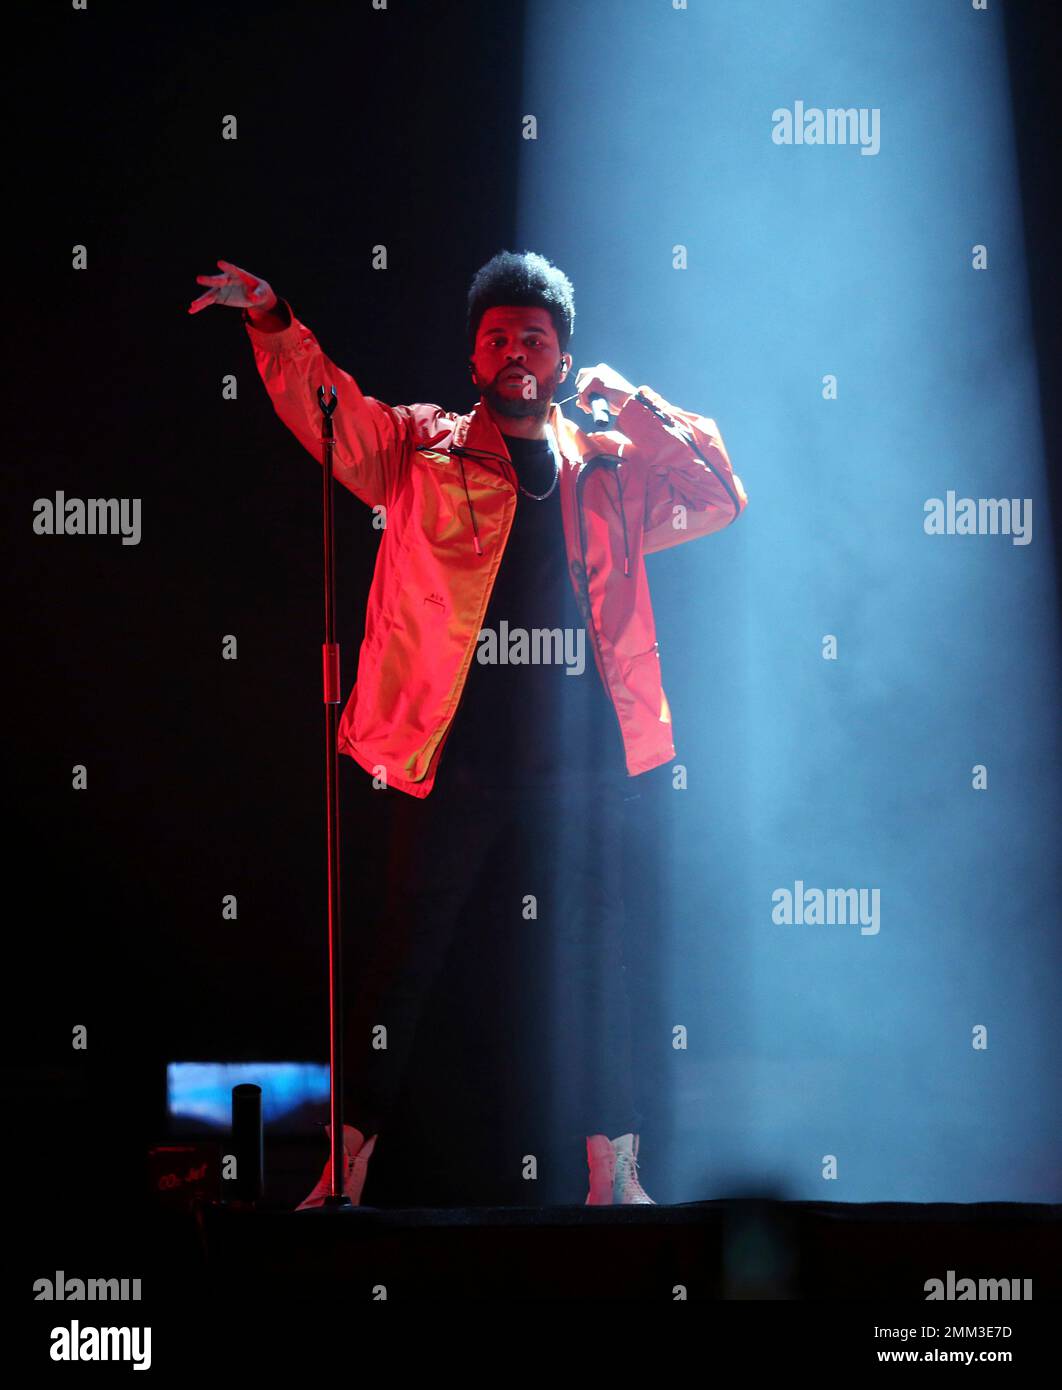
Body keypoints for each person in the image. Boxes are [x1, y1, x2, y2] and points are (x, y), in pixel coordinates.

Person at [189, 251, 748, 1205]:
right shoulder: (420, 452)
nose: (515, 351)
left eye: (535, 337)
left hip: (584, 764)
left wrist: (636, 400)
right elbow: (335, 418)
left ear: (563, 361)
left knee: (601, 964)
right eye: (497, 339)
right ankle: (346, 1169)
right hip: (456, 759)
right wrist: (277, 323)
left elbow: (717, 497)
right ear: (474, 361)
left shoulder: (606, 471)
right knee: (405, 957)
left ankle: (613, 1178)